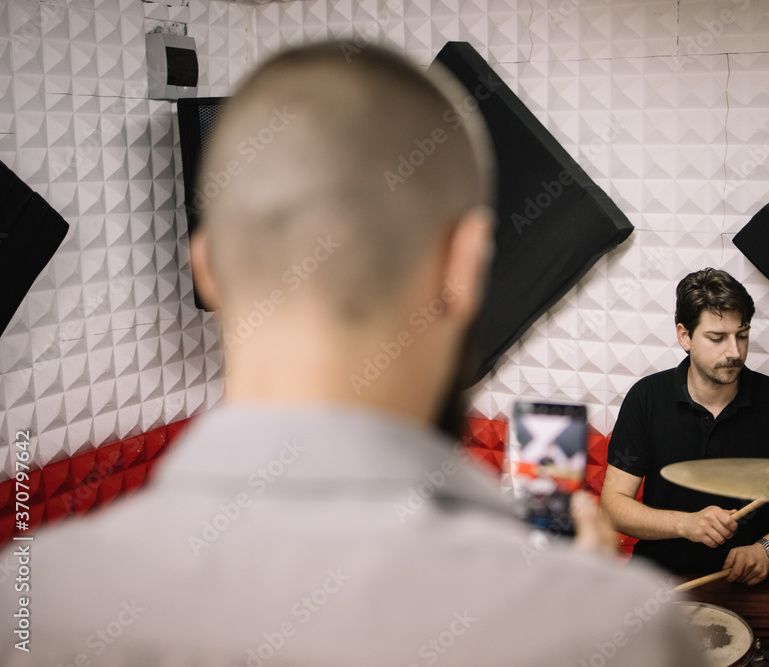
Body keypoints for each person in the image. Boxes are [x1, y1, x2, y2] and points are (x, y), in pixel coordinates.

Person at [1, 43, 704, 666]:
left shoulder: (25, 611)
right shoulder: (623, 630)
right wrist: (580, 605)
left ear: (208, 266)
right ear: (464, 268)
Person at [600, 268, 769, 583]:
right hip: (657, 582)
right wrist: (685, 525)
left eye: (742, 335)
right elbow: (613, 505)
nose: (734, 352)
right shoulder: (647, 398)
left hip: (749, 585)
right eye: (717, 338)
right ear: (684, 336)